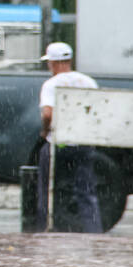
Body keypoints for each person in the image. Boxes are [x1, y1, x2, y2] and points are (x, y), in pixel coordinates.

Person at [37, 41, 101, 233]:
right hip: (83, 142)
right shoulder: (88, 81)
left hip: (60, 143)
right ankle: (93, 230)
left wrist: (45, 131)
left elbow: (48, 114)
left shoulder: (51, 84)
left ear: (53, 63)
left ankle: (45, 225)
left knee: (47, 187)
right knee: (86, 190)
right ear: (69, 60)